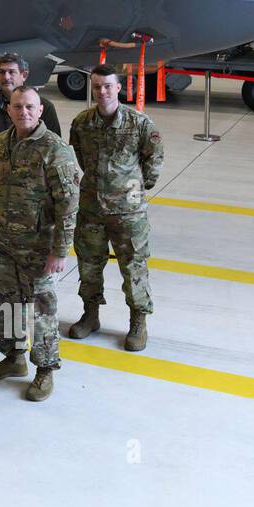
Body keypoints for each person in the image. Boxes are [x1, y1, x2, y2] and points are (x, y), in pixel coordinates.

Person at [0, 86, 81, 402]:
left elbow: (68, 205)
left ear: (40, 110)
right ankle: (13, 358)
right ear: (8, 109)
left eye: (30, 107)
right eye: (17, 106)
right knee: (8, 303)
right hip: (5, 244)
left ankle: (45, 370)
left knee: (41, 310)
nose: (23, 112)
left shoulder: (55, 149)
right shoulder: (0, 144)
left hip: (39, 248)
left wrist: (60, 250)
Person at [68, 64, 164, 351]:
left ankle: (138, 321)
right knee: (88, 264)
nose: (102, 91)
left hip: (128, 212)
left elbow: (154, 159)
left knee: (133, 266)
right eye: (97, 86)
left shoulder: (139, 123)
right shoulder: (82, 122)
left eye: (108, 86)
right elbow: (81, 158)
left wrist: (132, 187)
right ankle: (91, 314)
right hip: (91, 208)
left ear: (118, 88)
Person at [0, 52, 62, 318]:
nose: (6, 76)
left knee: (37, 270)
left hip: (35, 206)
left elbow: (53, 146)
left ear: (24, 75)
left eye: (12, 71)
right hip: (1, 199)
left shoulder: (45, 107)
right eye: (2, 72)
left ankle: (37, 322)